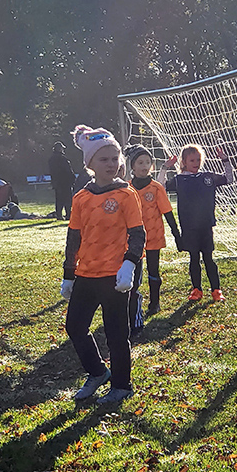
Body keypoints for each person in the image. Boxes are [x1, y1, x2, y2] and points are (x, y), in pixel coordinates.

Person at [61, 125, 145, 405]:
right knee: (75, 327)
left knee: (116, 335)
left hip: (114, 277)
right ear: (90, 164)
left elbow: (138, 234)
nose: (111, 164)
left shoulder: (126, 195)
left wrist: (129, 265)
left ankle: (122, 385)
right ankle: (97, 372)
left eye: (114, 158)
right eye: (103, 159)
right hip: (86, 274)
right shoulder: (81, 198)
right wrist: (69, 274)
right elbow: (74, 237)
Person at [158, 144, 233, 302]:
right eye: (192, 160)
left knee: (209, 258)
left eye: (198, 159)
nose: (196, 163)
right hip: (189, 227)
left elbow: (228, 179)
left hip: (206, 225)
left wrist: (225, 160)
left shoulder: (207, 177)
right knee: (194, 258)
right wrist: (164, 168)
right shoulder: (179, 180)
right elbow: (160, 187)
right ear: (184, 162)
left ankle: (216, 290)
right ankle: (197, 289)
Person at [124, 144, 181, 330]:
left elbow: (167, 212)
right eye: (140, 162)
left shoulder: (156, 188)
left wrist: (177, 234)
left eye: (147, 162)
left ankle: (154, 302)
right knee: (134, 273)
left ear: (152, 165)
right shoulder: (127, 189)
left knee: (153, 270)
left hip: (154, 236)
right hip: (133, 240)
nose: (144, 166)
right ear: (132, 166)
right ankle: (131, 304)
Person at [48, 142, 75, 220]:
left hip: (57, 183)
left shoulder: (51, 159)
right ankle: (68, 215)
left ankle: (59, 215)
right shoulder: (63, 159)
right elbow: (68, 170)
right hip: (65, 182)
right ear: (59, 149)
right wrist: (72, 179)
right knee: (67, 199)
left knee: (59, 199)